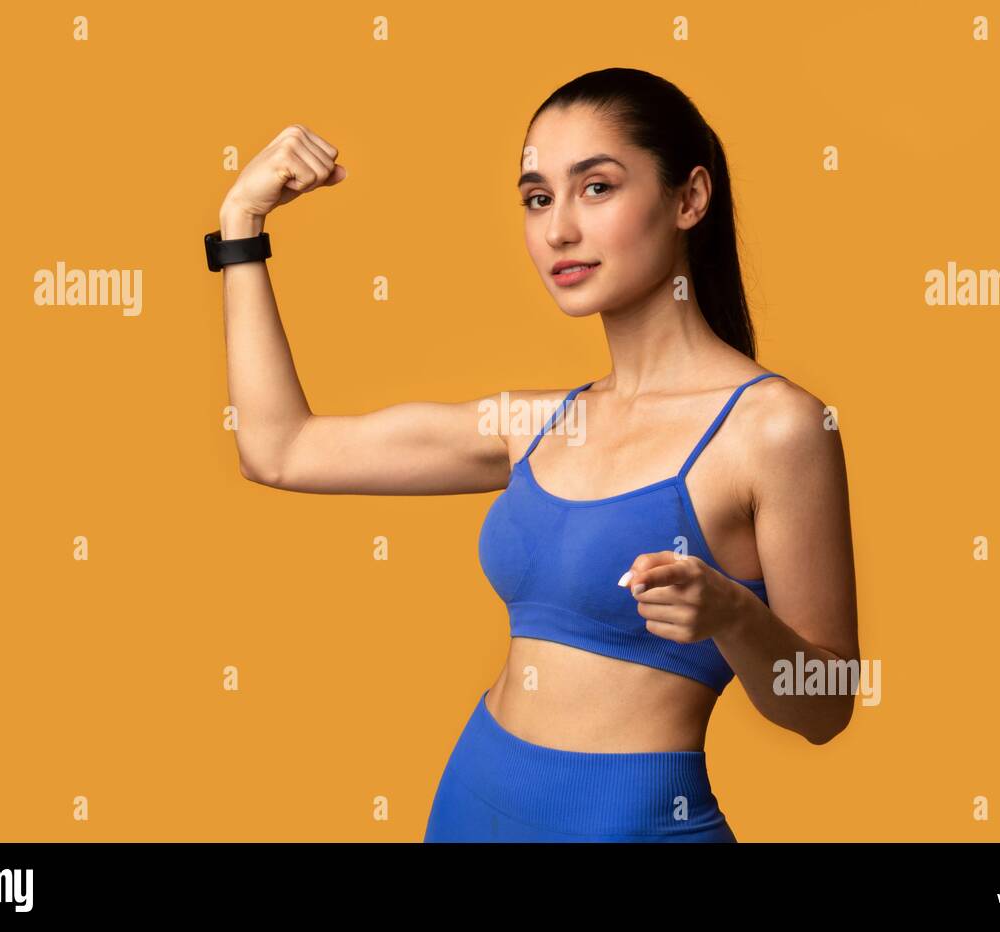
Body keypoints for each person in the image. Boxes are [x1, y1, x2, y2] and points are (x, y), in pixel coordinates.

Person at [212, 67, 860, 843]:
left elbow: (824, 707)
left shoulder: (777, 429)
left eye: (596, 188)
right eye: (537, 197)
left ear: (689, 198)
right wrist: (241, 223)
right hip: (469, 806)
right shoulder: (536, 424)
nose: (558, 230)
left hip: (632, 825)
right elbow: (279, 449)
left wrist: (733, 615)